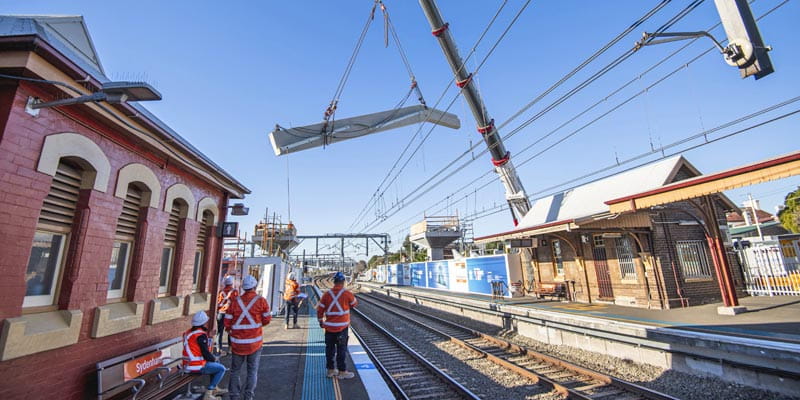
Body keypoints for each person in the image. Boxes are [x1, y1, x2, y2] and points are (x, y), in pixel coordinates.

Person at [224, 275, 271, 400]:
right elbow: (267, 319)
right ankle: (248, 396)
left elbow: (227, 322)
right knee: (252, 372)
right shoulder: (261, 301)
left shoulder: (235, 302)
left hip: (237, 343)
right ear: (254, 286)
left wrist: (232, 332)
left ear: (243, 288)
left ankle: (234, 396)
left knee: (235, 371)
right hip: (254, 343)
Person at [316, 271, 357, 379]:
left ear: (334, 282)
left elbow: (320, 309)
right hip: (342, 328)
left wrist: (321, 321)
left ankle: (330, 370)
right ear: (343, 282)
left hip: (329, 327)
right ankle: (342, 371)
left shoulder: (326, 294)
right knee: (341, 349)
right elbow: (354, 304)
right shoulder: (347, 293)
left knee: (329, 349)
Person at [184, 311, 229, 400]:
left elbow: (198, 345)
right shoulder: (200, 335)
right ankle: (209, 392)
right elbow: (205, 353)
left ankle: (214, 389)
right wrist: (214, 358)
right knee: (221, 369)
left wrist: (208, 336)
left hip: (188, 363)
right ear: (203, 323)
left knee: (216, 364)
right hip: (196, 366)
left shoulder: (190, 332)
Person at [216, 275, 238, 354]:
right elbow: (236, 303)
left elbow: (218, 303)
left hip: (221, 313)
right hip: (229, 314)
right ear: (232, 283)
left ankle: (219, 348)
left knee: (219, 332)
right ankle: (230, 348)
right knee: (230, 331)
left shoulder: (221, 292)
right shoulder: (234, 292)